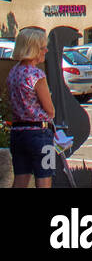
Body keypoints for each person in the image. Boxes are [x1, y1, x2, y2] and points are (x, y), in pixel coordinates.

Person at [7, 26, 56, 189]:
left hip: (18, 132)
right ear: (34, 50)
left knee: (20, 178)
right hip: (40, 133)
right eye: (43, 47)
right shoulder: (36, 75)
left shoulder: (13, 72)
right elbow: (50, 110)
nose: (46, 50)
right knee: (44, 178)